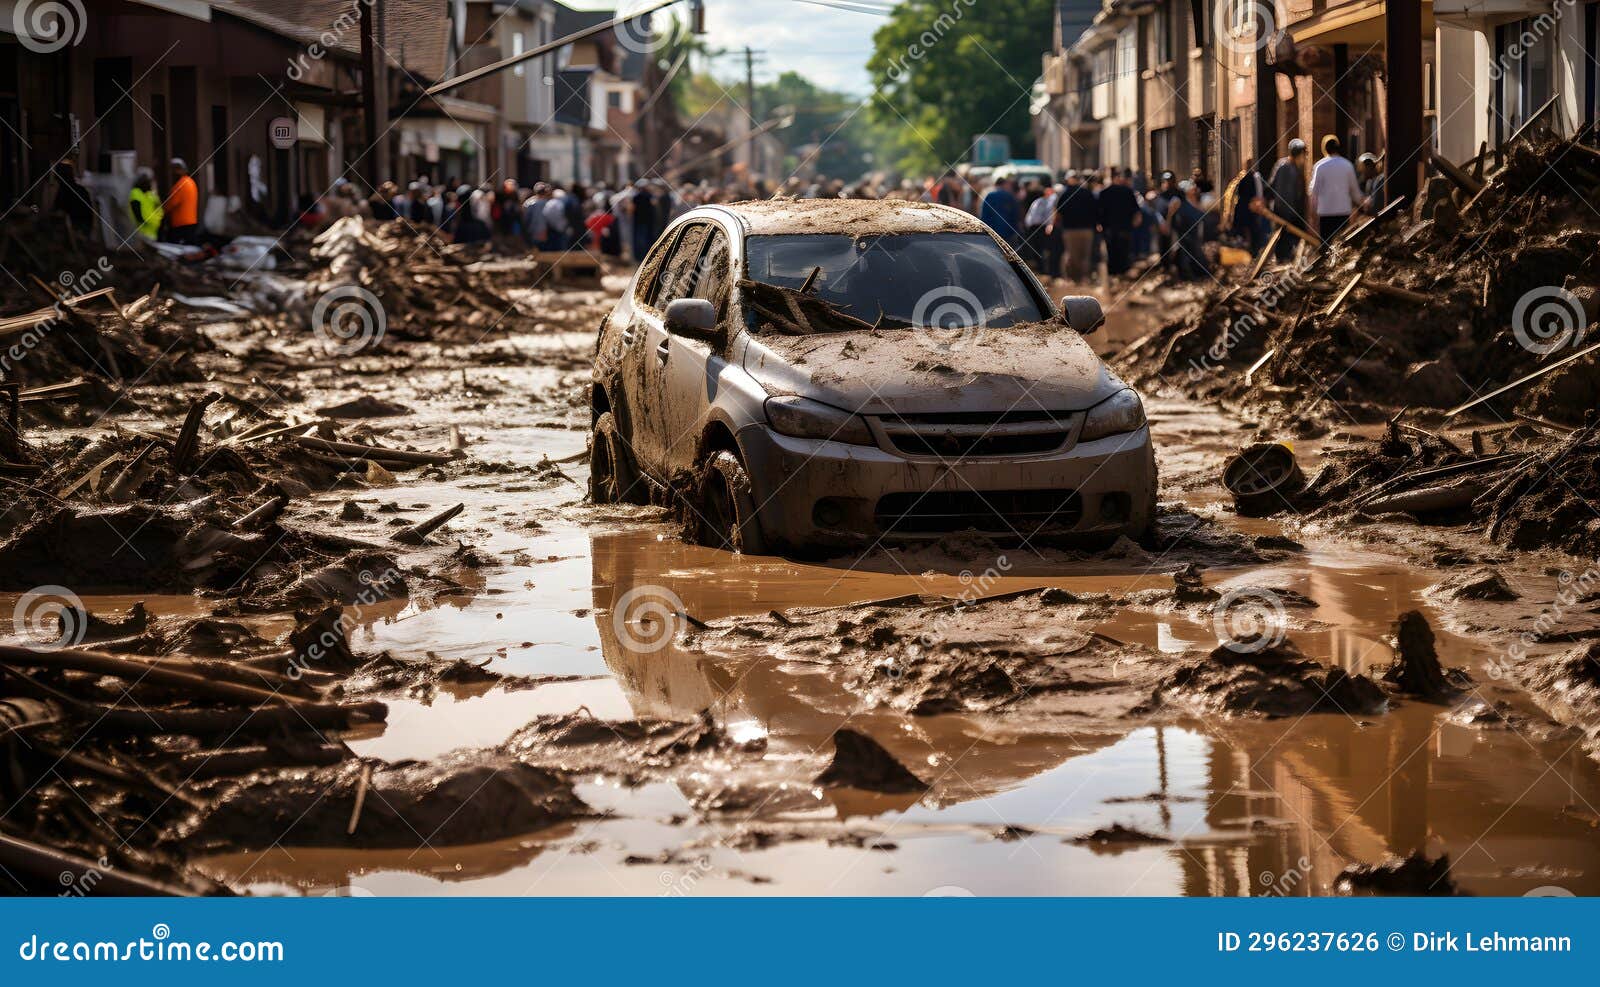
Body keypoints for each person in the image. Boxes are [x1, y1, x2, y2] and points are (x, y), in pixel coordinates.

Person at [1309, 135, 1366, 243]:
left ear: (1324, 149)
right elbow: (1354, 191)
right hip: (1343, 212)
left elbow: (1314, 193)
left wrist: (1312, 215)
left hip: (1325, 214)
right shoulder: (1347, 165)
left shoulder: (1320, 166)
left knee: (1326, 247)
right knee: (1341, 245)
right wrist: (1364, 202)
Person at [1267, 139, 1309, 261]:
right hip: (1288, 213)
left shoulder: (1283, 165)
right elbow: (1287, 194)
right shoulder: (1288, 168)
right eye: (1303, 155)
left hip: (1285, 212)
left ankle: (1286, 261)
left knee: (1284, 242)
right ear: (1299, 154)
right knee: (1286, 242)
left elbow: (1271, 187)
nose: (1304, 158)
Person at [1051, 171, 1098, 282]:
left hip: (1070, 229)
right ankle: (1084, 278)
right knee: (1085, 254)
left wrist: (1054, 225)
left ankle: (1073, 278)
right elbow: (1096, 211)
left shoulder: (1064, 194)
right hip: (1087, 229)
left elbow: (1058, 213)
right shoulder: (1087, 193)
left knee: (1072, 255)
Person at [1097, 170, 1141, 277]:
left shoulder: (1104, 193)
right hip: (1125, 228)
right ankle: (1122, 276)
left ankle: (1113, 276)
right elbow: (1136, 211)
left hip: (1109, 229)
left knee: (1112, 253)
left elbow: (1099, 212)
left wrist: (1100, 225)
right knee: (1124, 253)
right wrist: (1134, 223)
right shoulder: (1128, 191)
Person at [163, 157, 200, 244]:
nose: (171, 173)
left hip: (181, 223)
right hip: (191, 221)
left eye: (173, 169)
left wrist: (160, 211)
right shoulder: (191, 182)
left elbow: (171, 204)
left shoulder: (181, 184)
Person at [979, 177, 1020, 246]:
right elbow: (1015, 215)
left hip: (992, 232)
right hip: (1008, 232)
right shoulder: (1010, 196)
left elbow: (985, 216)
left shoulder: (989, 196)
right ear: (1004, 184)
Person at [127, 169, 163, 241]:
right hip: (141, 233)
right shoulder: (136, 193)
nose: (151, 184)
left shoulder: (151, 195)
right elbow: (137, 214)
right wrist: (147, 221)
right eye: (149, 181)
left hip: (152, 233)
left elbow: (159, 210)